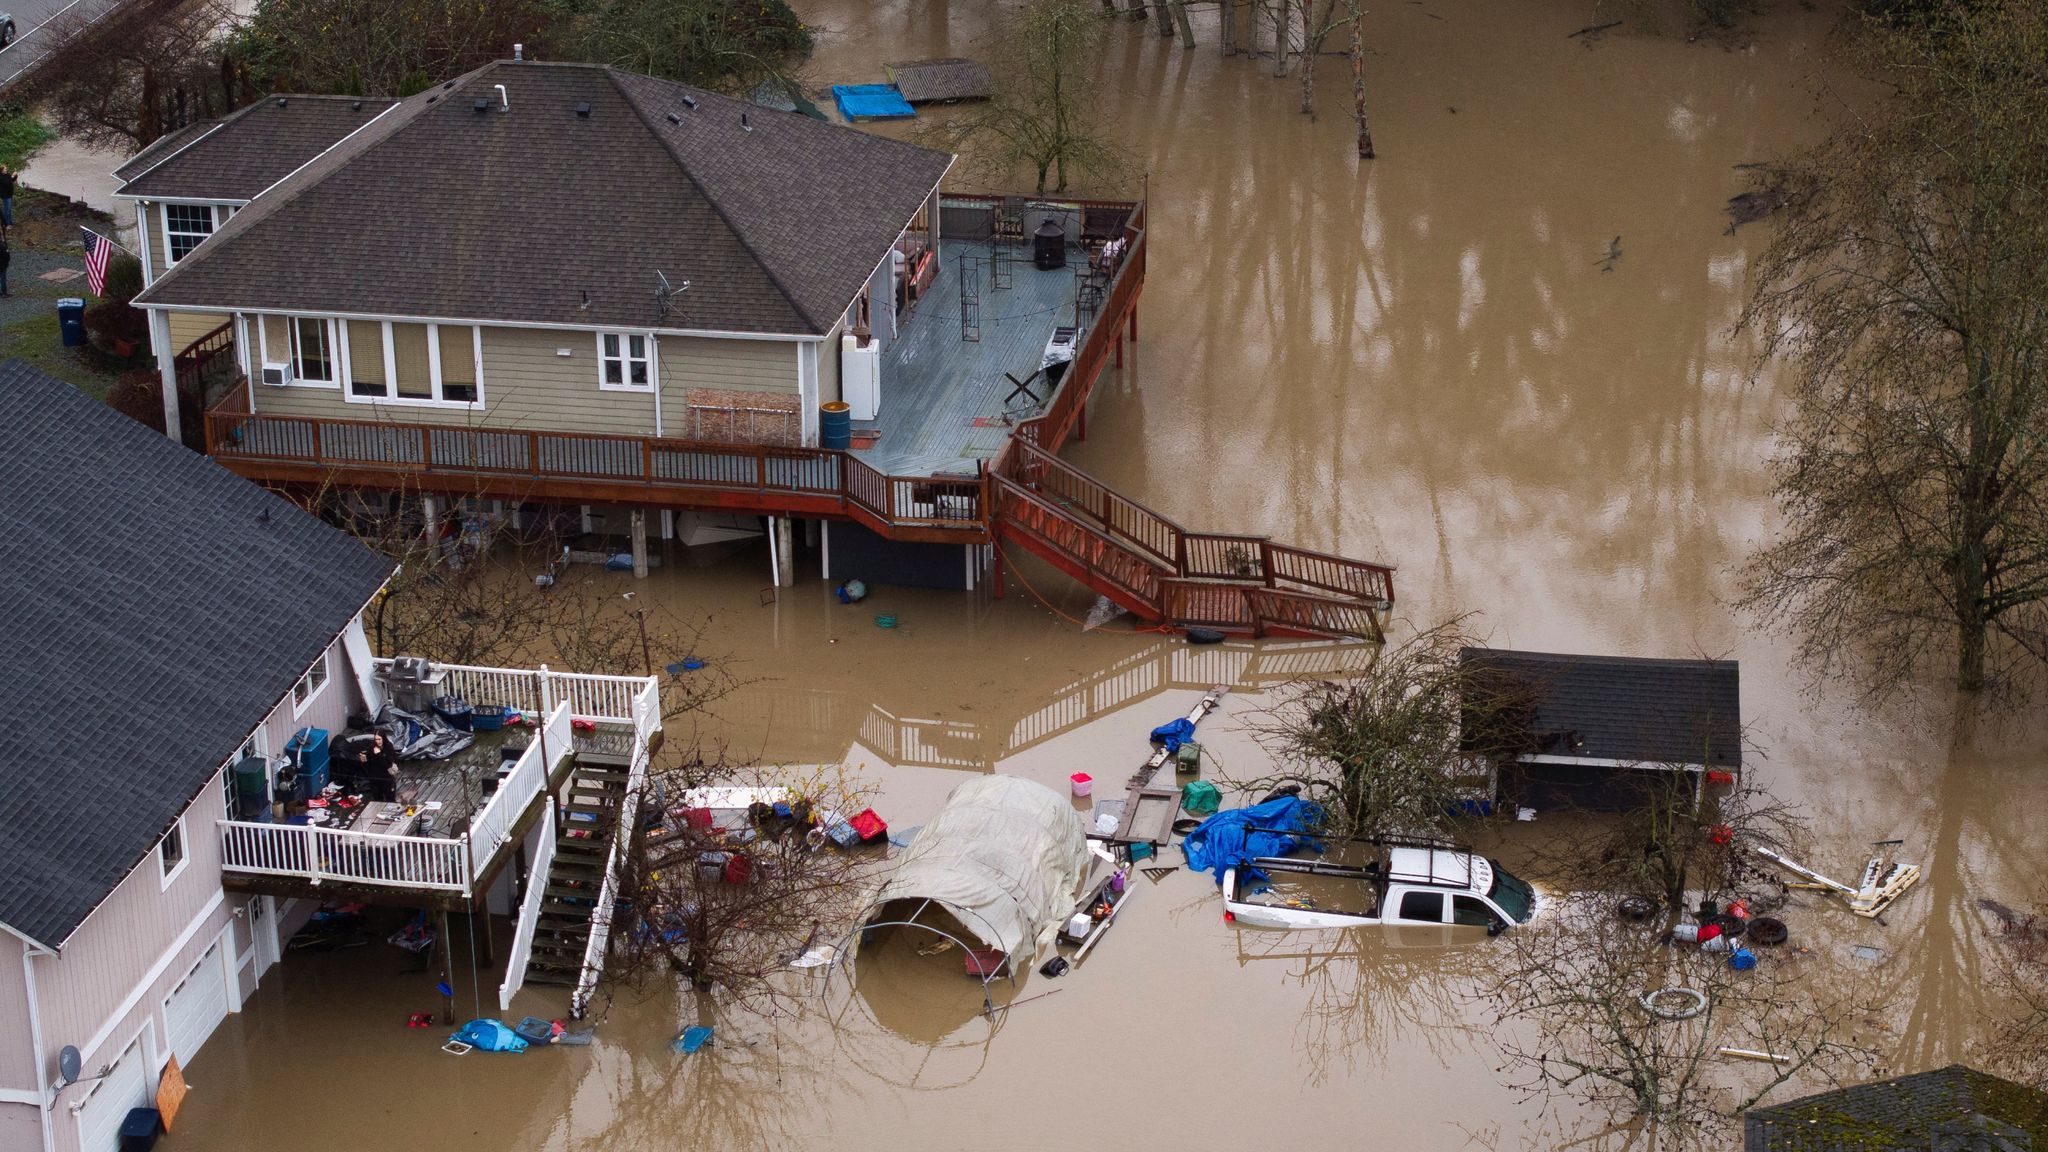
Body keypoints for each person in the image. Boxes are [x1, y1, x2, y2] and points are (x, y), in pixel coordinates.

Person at [361, 731, 399, 801]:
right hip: (375, 778)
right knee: (378, 798)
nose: (378, 741)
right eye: (376, 739)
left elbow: (388, 764)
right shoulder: (371, 748)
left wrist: (379, 754)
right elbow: (368, 765)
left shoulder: (389, 747)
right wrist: (364, 761)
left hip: (386, 777)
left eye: (379, 739)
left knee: (390, 798)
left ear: (383, 739)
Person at [0, 164, 14, 230]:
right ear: (1, 170)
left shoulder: (7, 174)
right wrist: (12, 176)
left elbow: (12, 180)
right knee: (6, 210)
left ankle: (10, 222)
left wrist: (15, 175)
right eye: (5, 169)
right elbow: (7, 183)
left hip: (10, 194)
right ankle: (7, 224)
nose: (6, 170)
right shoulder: (1, 177)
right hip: (5, 195)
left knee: (9, 209)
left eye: (6, 169)